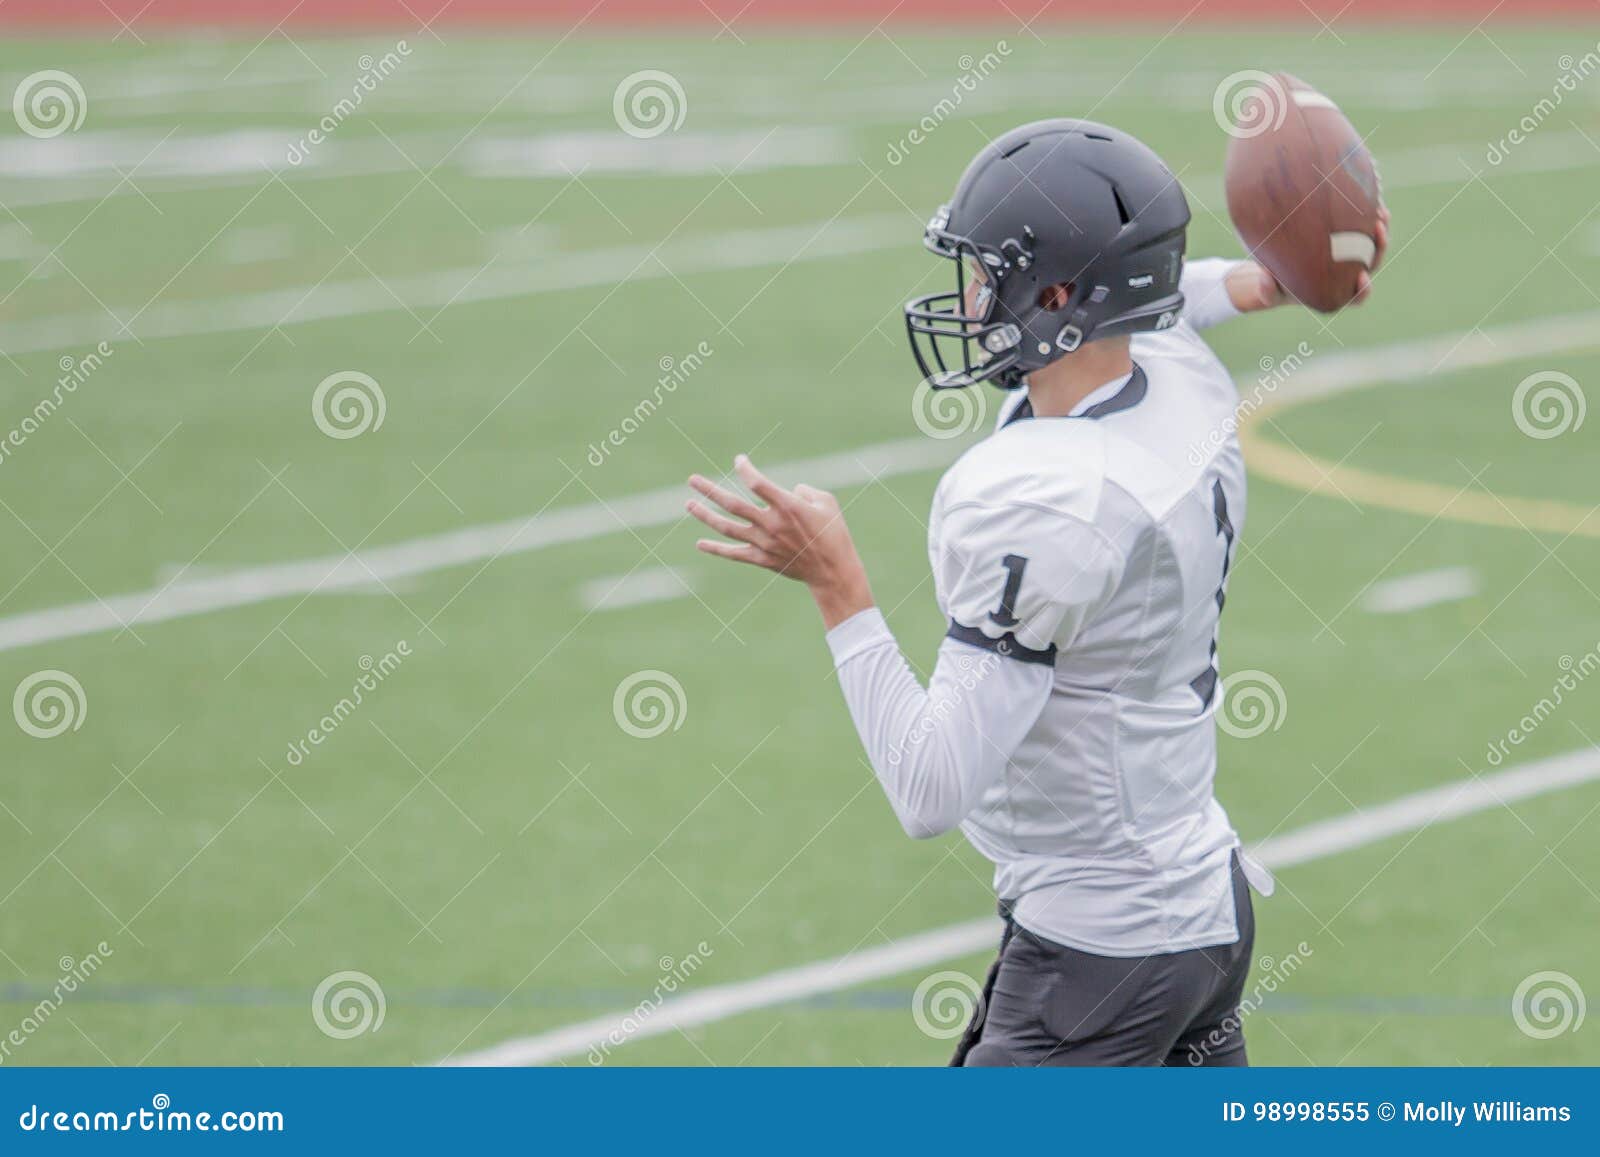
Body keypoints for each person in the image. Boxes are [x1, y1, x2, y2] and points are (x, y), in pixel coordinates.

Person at [685, 119, 1386, 1066]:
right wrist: (1264, 280)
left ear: (1057, 296)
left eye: (990, 272)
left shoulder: (1043, 498)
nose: (972, 295)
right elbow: (1161, 296)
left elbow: (930, 786)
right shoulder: (1178, 381)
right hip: (1199, 908)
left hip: (1103, 952)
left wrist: (836, 583)